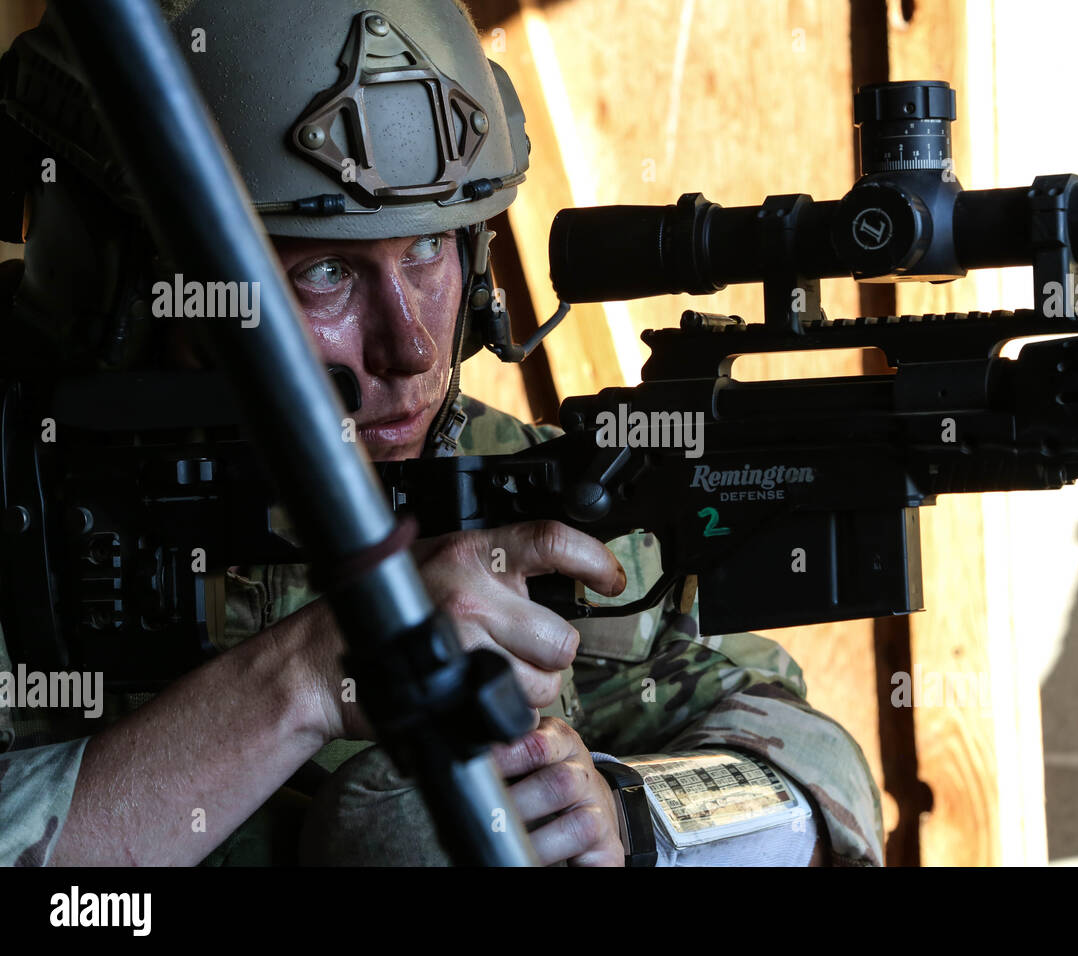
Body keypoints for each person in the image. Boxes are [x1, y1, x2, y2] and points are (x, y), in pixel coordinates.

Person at [0, 0, 883, 866]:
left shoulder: (513, 482)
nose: (413, 345)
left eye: (428, 251)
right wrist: (305, 679)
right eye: (327, 272)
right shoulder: (26, 488)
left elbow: (802, 750)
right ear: (132, 288)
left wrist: (630, 812)